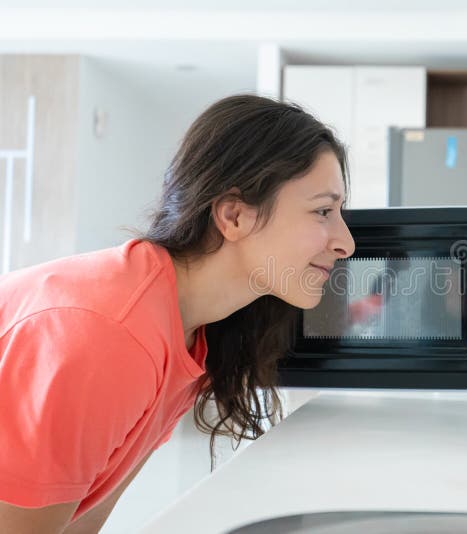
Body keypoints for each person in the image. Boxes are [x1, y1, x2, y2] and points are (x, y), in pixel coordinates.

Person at [0, 94, 355, 533]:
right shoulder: (111, 338)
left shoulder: (190, 335)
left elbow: (76, 522)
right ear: (234, 215)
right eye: (323, 211)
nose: (346, 243)